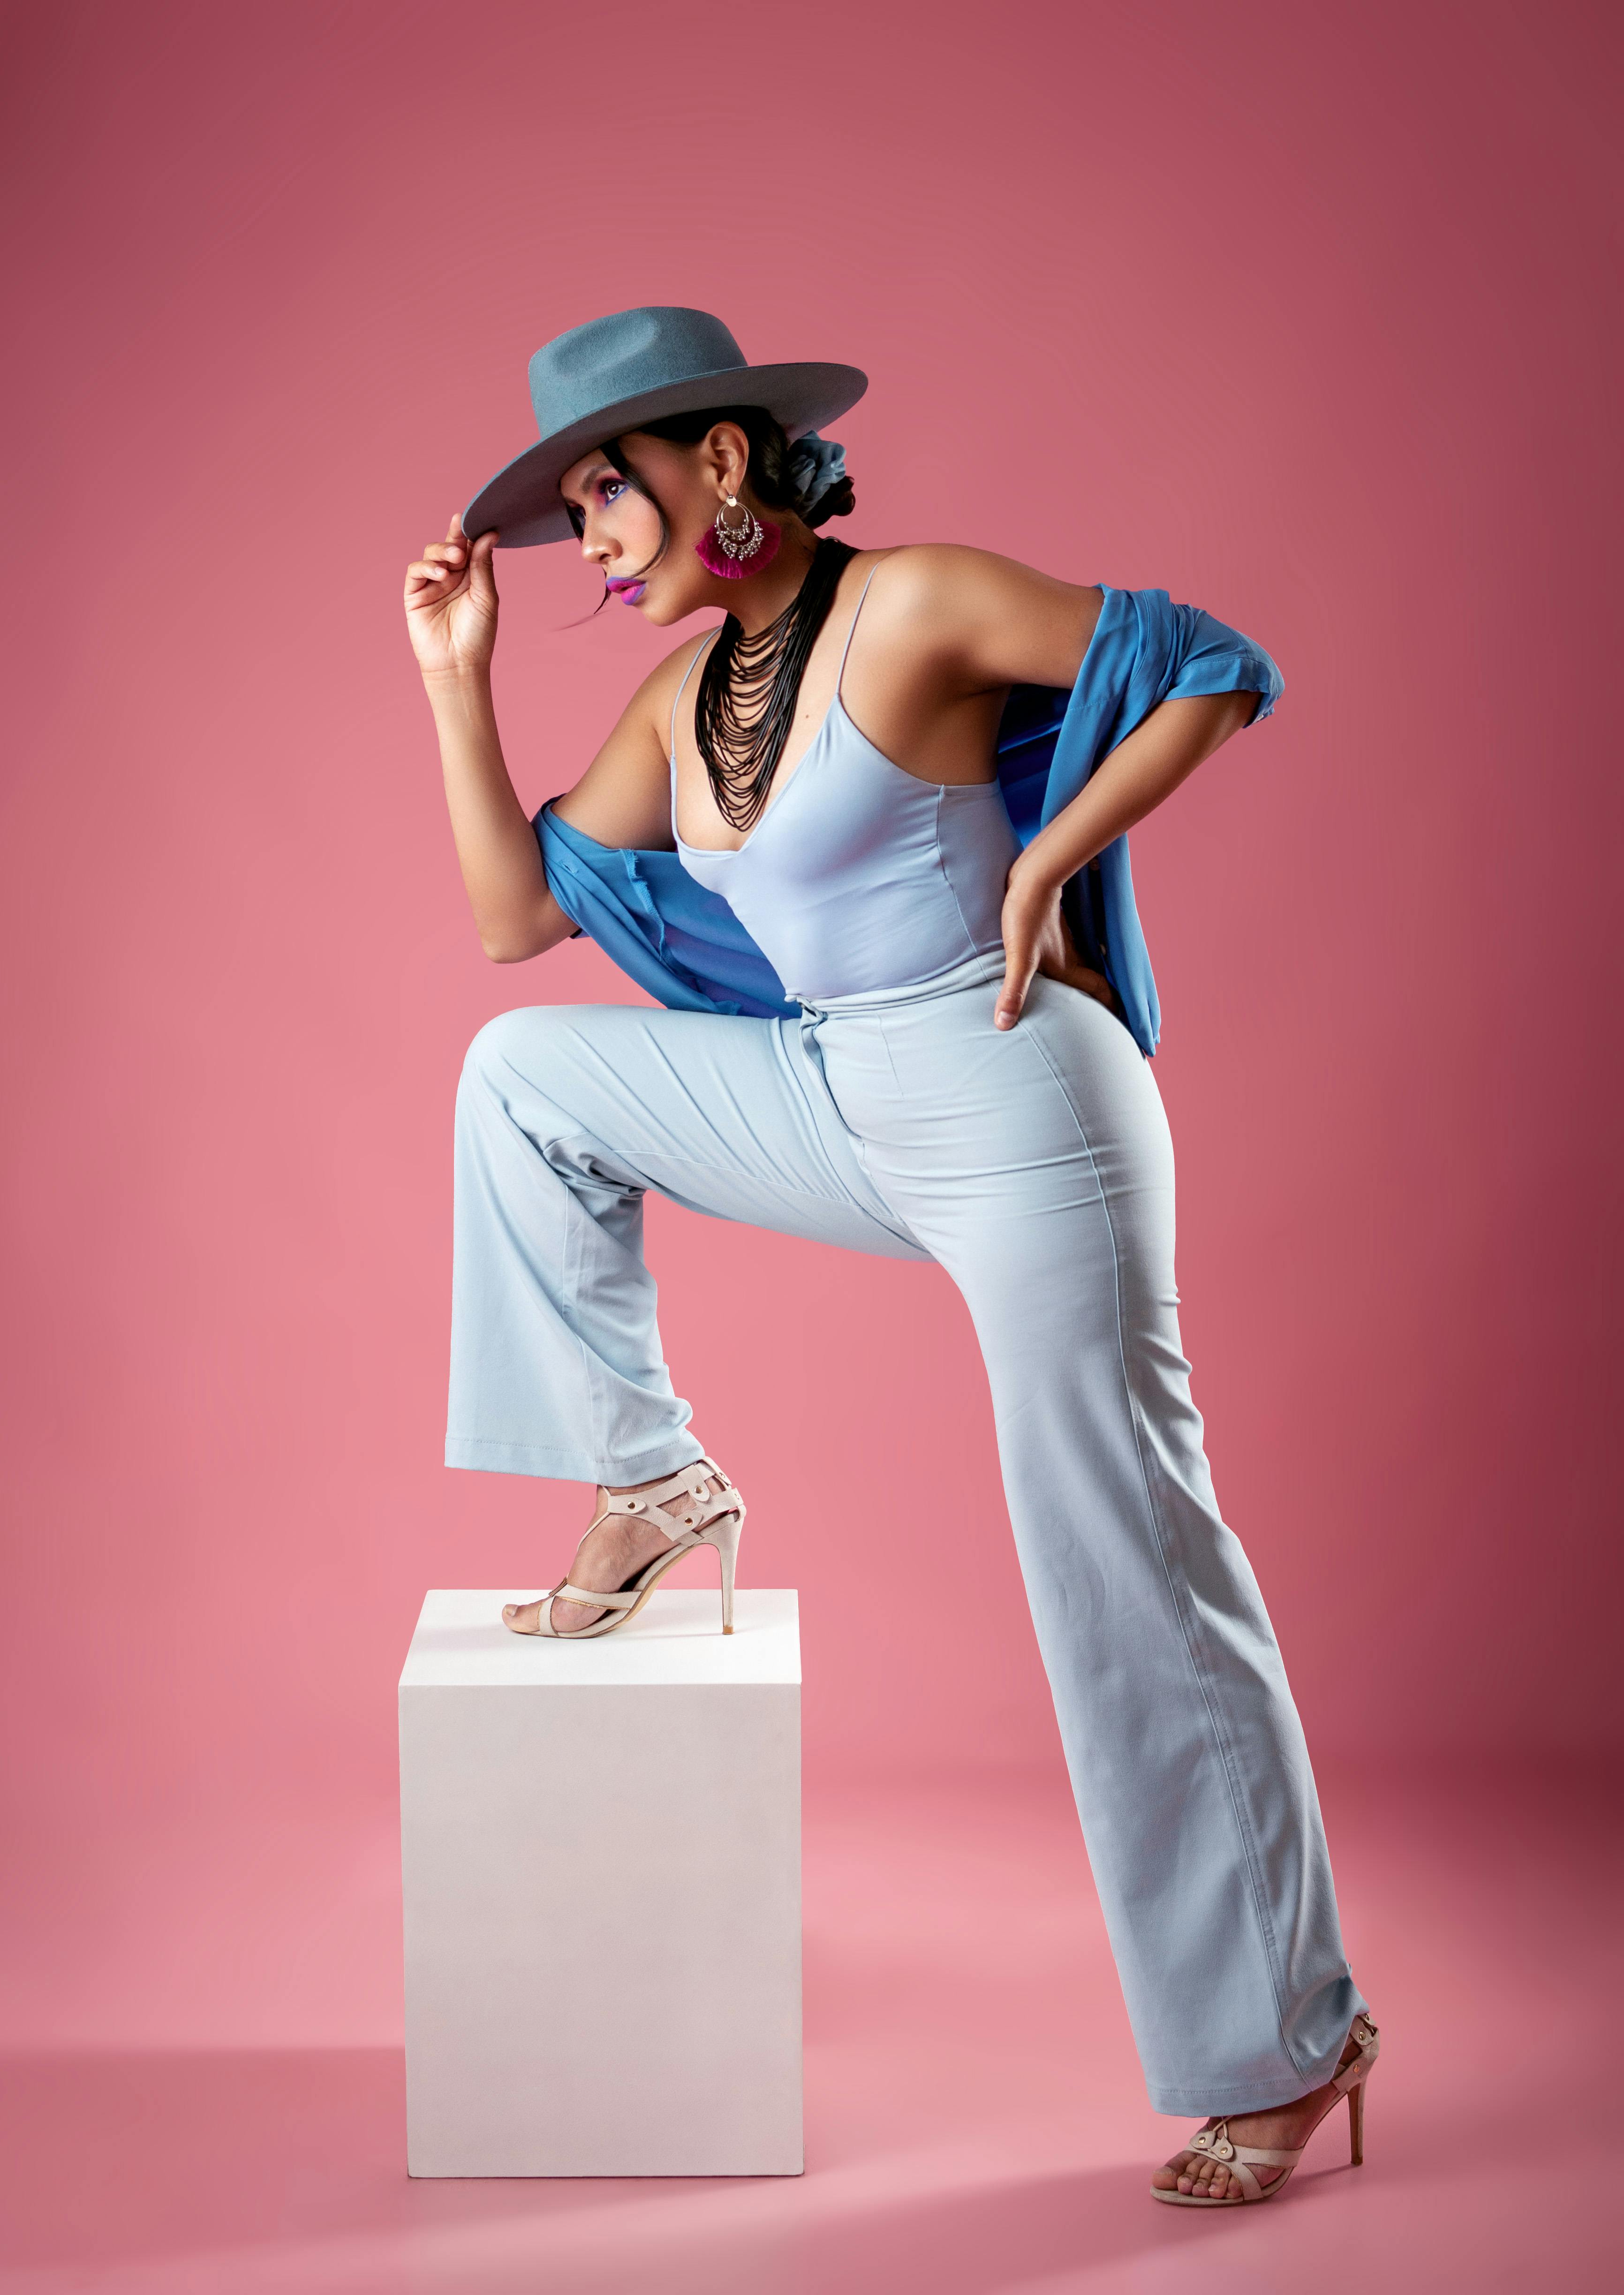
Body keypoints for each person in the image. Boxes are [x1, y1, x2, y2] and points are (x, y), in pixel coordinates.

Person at [403, 306, 1379, 2207]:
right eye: (571, 511)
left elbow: (1208, 667)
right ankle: (649, 1479)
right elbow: (518, 920)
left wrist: (1046, 859)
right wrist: (458, 676)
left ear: (723, 464)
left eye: (604, 489)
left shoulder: (917, 602)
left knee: (1122, 1555)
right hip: (834, 1097)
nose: (588, 536)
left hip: (1021, 1102)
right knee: (521, 1077)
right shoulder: (679, 711)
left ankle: (1288, 2033)